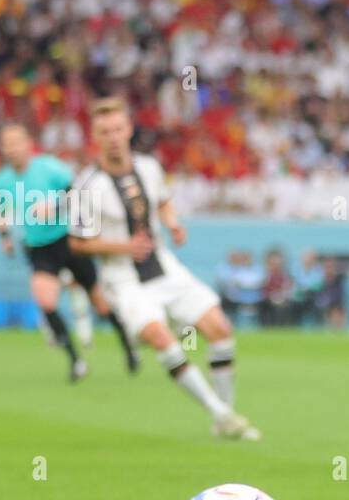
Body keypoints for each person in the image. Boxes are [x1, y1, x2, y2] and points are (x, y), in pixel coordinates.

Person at [68, 98, 259, 440]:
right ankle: (221, 414)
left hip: (165, 267)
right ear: (94, 136)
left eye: (117, 129)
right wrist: (123, 247)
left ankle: (224, 416)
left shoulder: (148, 167)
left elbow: (163, 201)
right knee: (161, 337)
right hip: (124, 278)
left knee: (219, 328)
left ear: (128, 130)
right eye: (104, 132)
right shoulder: (88, 185)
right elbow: (79, 242)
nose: (113, 137)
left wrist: (173, 224)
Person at [0, 122, 139, 381]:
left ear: (28, 144)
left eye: (17, 142)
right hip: (38, 248)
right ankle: (75, 360)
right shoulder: (2, 180)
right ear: (2, 149)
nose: (12, 148)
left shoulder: (49, 168)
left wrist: (54, 207)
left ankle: (128, 344)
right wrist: (4, 237)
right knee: (46, 302)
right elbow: (1, 213)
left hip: (68, 241)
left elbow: (78, 195)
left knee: (100, 304)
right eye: (7, 144)